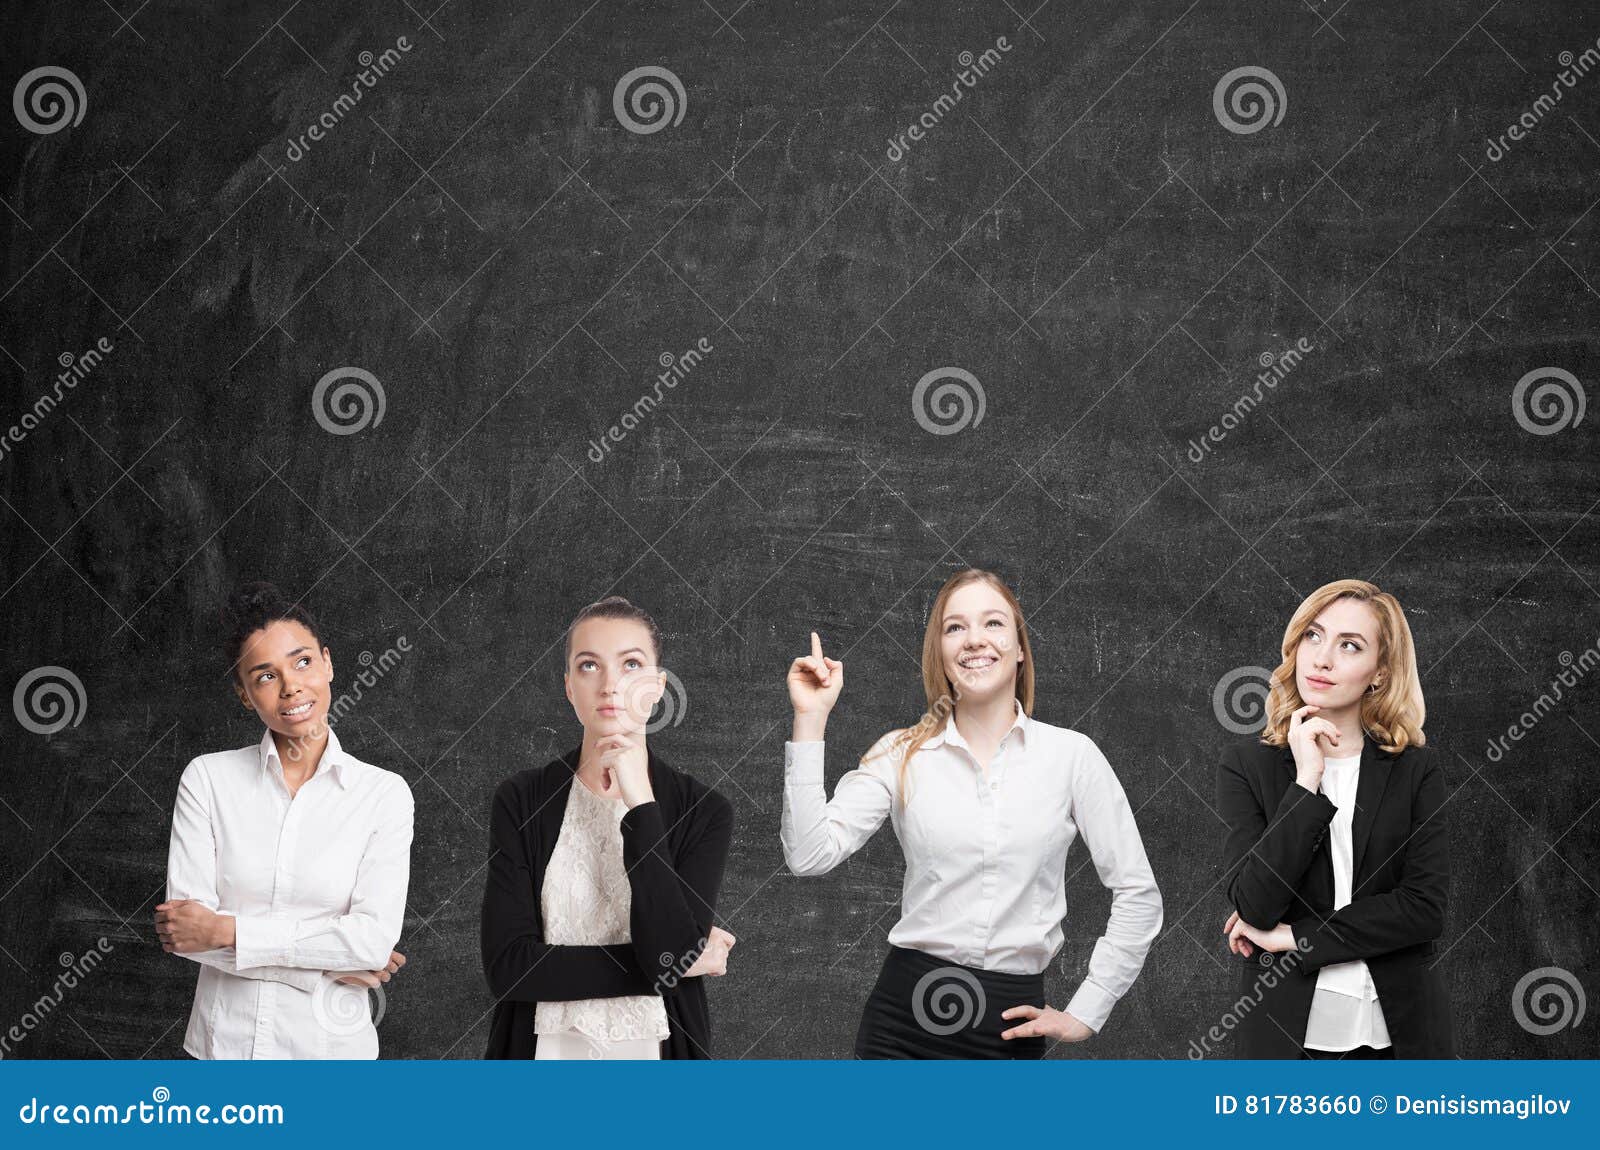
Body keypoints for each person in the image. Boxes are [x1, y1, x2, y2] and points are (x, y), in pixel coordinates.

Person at [781, 568, 1163, 1057]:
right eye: (955, 627)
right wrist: (810, 720)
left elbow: (1137, 893)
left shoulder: (1072, 757)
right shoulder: (900, 753)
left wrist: (1089, 1008)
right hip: (902, 1022)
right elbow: (809, 855)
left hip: (1008, 1029)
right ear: (939, 651)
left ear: (1021, 648)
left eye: (993, 624)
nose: (974, 640)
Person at [157, 581, 414, 1059]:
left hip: (331, 1058)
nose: (291, 685)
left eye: (302, 662)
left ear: (328, 663)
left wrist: (229, 932)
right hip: (222, 1052)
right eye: (265, 675)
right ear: (244, 694)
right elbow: (187, 935)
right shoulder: (208, 780)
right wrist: (326, 966)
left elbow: (372, 941)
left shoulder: (384, 794)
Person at [480, 596, 736, 1059]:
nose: (610, 685)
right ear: (569, 688)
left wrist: (641, 804)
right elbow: (509, 969)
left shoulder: (703, 811)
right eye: (589, 666)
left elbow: (669, 956)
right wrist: (672, 965)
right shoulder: (521, 800)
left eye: (631, 664)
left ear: (658, 687)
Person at [1217, 578, 1453, 1058]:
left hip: (1401, 1036)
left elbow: (1423, 910)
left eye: (1350, 646)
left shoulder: (1416, 770)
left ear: (1379, 673)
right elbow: (1256, 905)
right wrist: (1306, 782)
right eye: (1313, 636)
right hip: (1288, 1039)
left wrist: (1294, 936)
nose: (1323, 658)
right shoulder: (1248, 765)